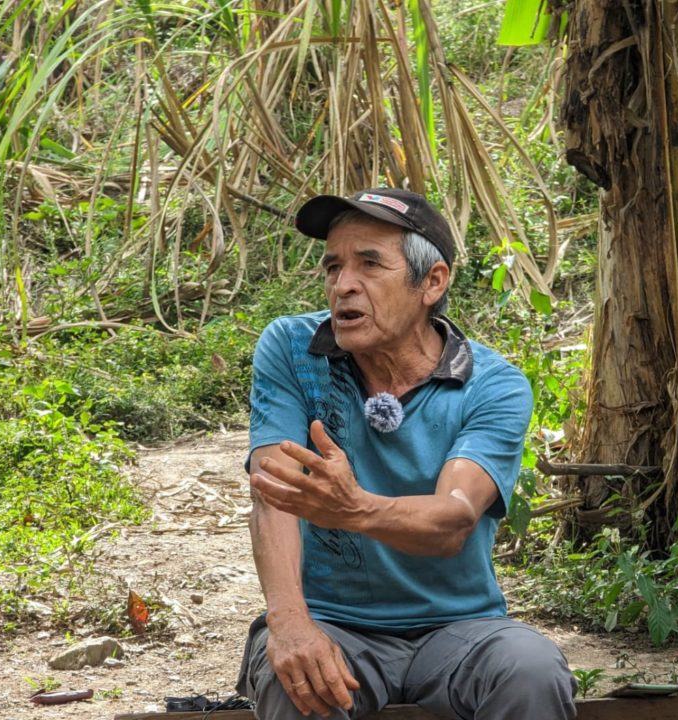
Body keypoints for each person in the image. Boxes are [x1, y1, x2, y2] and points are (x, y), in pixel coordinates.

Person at [236, 188, 577, 719]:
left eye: (369, 264)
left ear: (432, 282)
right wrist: (290, 624)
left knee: (530, 670)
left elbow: (452, 520)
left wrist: (354, 509)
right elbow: (275, 493)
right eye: (333, 267)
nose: (343, 284)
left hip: (461, 628)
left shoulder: (494, 386)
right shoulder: (291, 347)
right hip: (333, 623)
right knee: (296, 682)